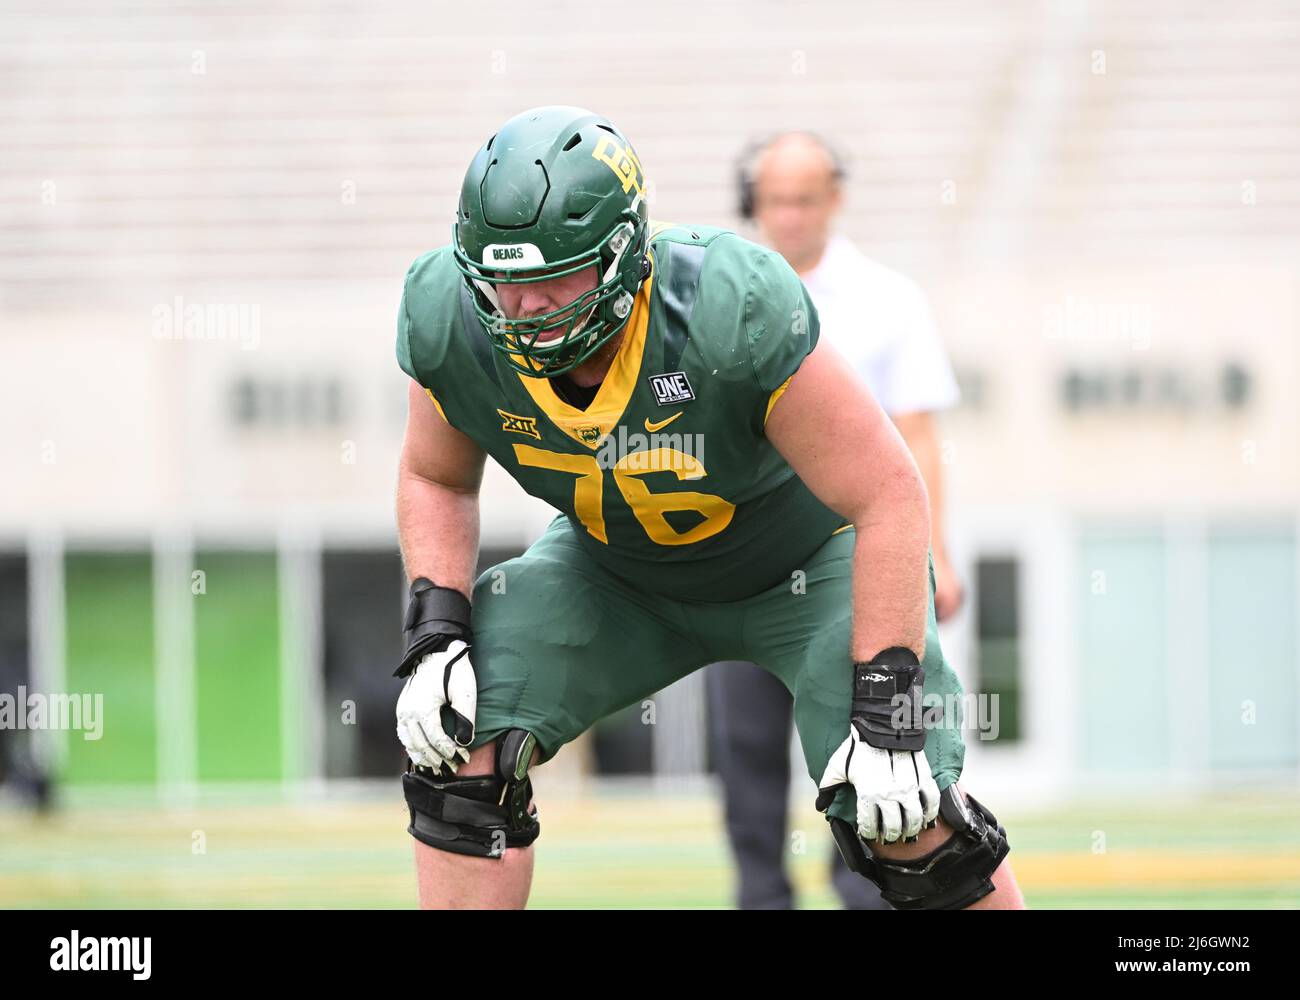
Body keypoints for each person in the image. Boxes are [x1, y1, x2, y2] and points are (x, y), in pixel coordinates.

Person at [392, 105, 1022, 910]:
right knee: (453, 736)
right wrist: (435, 627)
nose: (525, 310)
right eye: (504, 284)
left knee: (905, 815)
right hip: (615, 573)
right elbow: (436, 478)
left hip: (805, 566)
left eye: (554, 279)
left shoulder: (728, 302)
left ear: (624, 255)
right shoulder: (450, 313)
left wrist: (892, 704)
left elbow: (889, 492)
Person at [708, 131, 965, 909]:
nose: (788, 215)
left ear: (835, 199)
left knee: (867, 738)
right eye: (774, 199)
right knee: (745, 750)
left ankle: (864, 893)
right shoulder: (711, 296)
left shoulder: (888, 298)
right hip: (740, 561)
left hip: (851, 561)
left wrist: (938, 555)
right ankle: (759, 897)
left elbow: (917, 436)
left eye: (804, 198)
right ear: (753, 203)